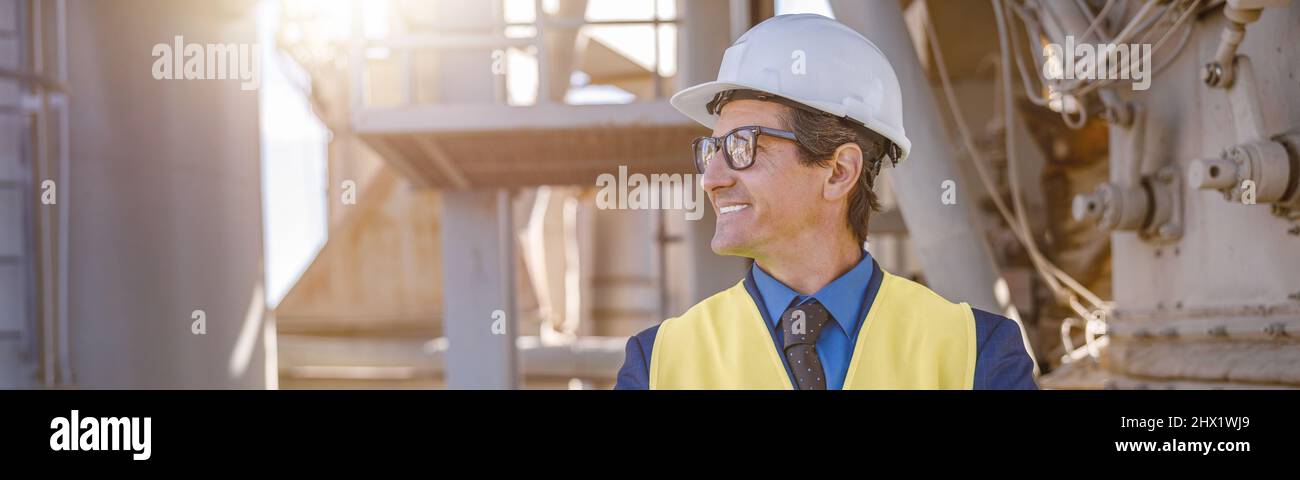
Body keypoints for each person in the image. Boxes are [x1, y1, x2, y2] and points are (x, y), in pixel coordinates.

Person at [615, 14, 1037, 390]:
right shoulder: (657, 364)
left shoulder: (977, 355)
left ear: (839, 171)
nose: (711, 178)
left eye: (743, 146)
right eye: (712, 149)